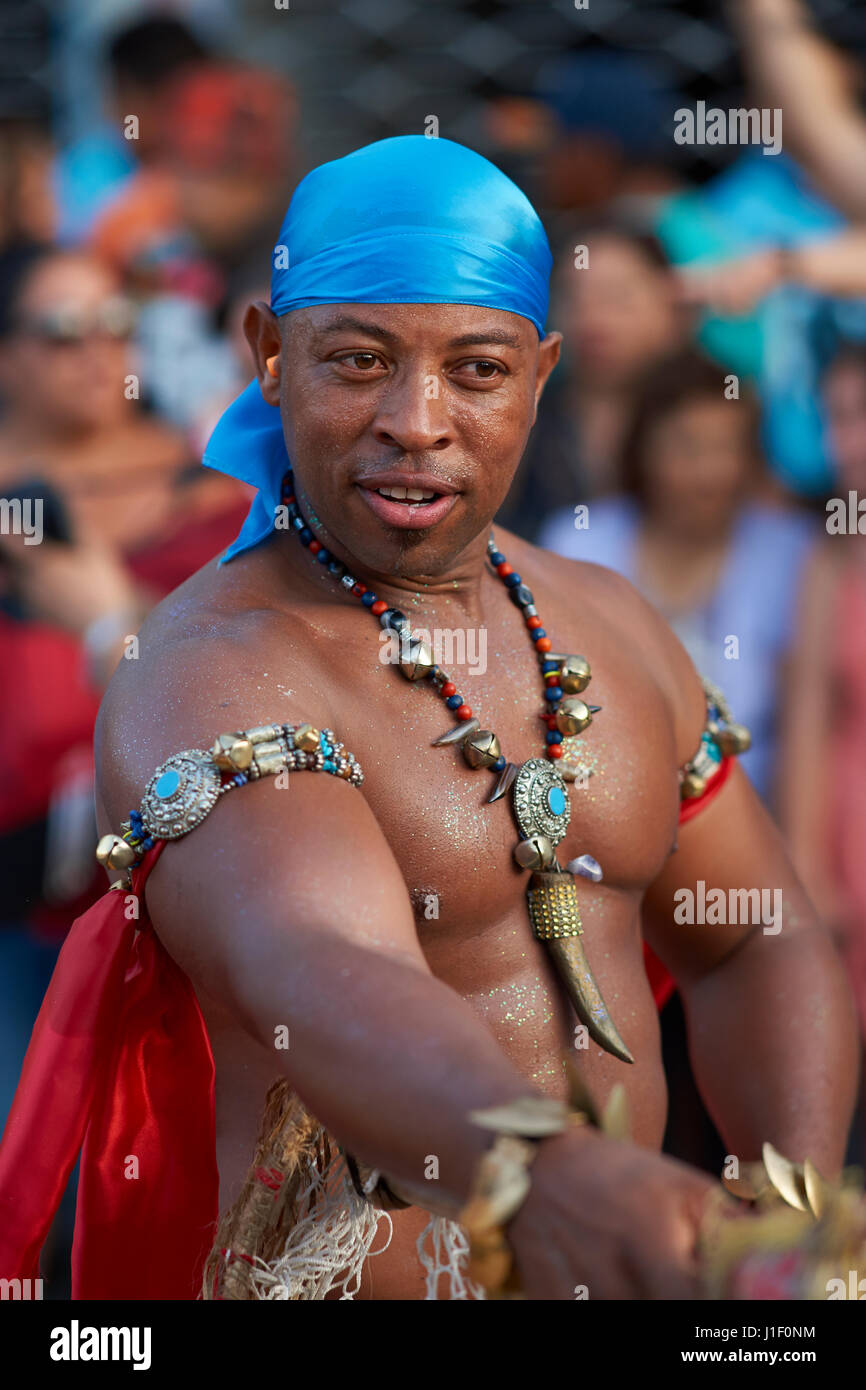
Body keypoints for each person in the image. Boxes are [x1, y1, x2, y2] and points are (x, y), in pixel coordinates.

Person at [0, 136, 857, 1302]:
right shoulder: (211, 672)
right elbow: (323, 967)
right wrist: (548, 1182)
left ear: (540, 373)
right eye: (358, 361)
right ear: (267, 355)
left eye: (477, 369)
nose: (417, 419)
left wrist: (787, 1228)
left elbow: (755, 936)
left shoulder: (608, 622)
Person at [538, 350, 816, 807]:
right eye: (687, 447)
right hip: (607, 803)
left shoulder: (791, 553)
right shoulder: (578, 543)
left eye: (729, 446)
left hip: (752, 810)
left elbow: (810, 725)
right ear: (643, 450)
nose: (711, 472)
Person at [496, 225, 688, 536]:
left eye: (616, 297)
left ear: (674, 307)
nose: (592, 318)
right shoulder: (522, 418)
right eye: (574, 298)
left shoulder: (717, 412)